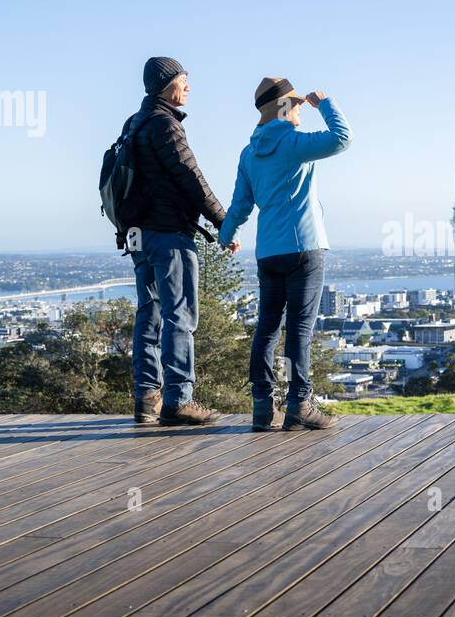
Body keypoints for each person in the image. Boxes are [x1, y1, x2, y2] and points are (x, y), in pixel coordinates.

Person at [218, 77, 351, 432]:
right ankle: (299, 405)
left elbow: (240, 205)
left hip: (269, 253)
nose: (301, 112)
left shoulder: (248, 154)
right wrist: (325, 103)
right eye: (297, 106)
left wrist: (226, 236)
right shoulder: (293, 143)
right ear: (285, 107)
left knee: (267, 327)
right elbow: (342, 138)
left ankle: (262, 406)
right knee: (299, 329)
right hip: (305, 249)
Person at [125, 57, 238, 426]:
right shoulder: (165, 125)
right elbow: (191, 177)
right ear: (167, 85)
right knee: (180, 316)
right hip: (170, 234)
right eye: (184, 80)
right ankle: (178, 399)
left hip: (139, 236)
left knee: (149, 313)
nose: (189, 87)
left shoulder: (134, 123)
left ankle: (146, 398)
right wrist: (224, 222)